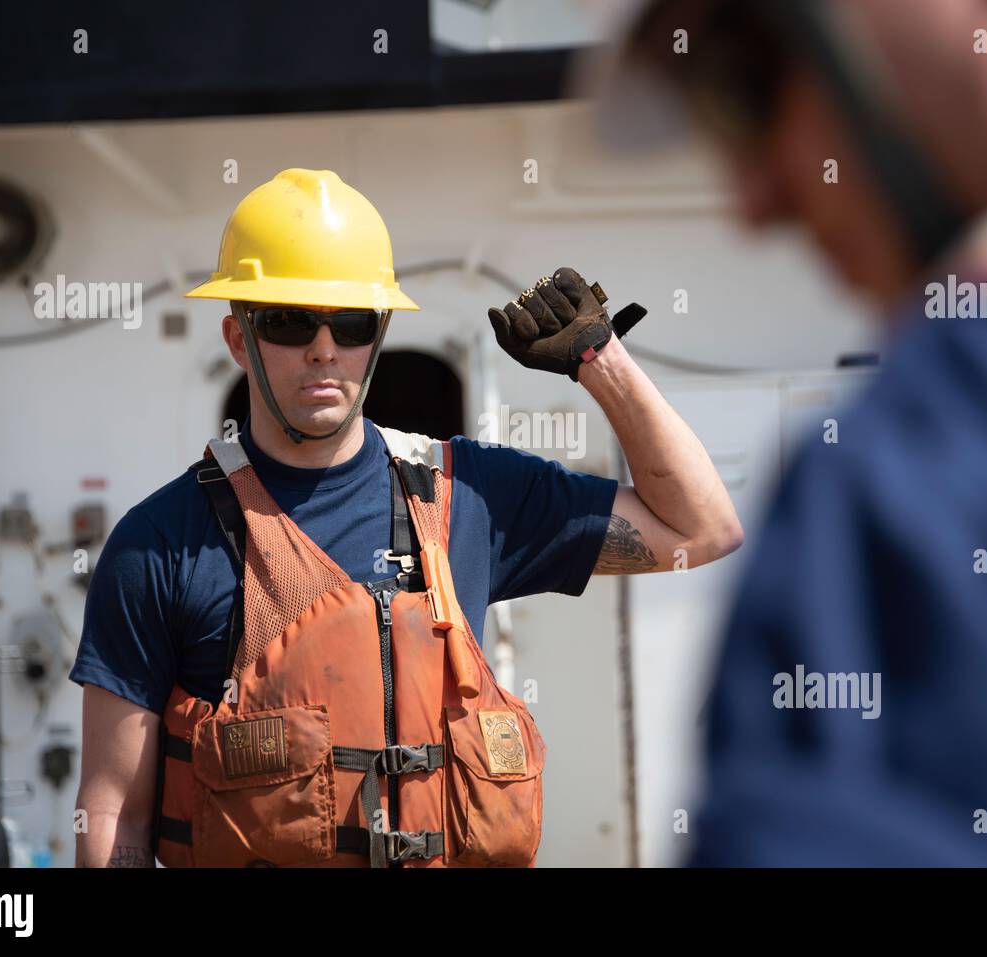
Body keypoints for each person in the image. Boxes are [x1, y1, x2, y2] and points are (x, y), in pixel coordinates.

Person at [601, 0, 987, 864]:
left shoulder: (966, 439)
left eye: (740, 78)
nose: (753, 204)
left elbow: (698, 528)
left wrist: (600, 364)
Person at [69, 167, 744, 867]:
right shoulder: (157, 546)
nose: (324, 347)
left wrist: (601, 361)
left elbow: (701, 529)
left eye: (352, 322)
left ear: (379, 334)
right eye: (289, 321)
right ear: (239, 339)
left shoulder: (470, 495)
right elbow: (116, 811)